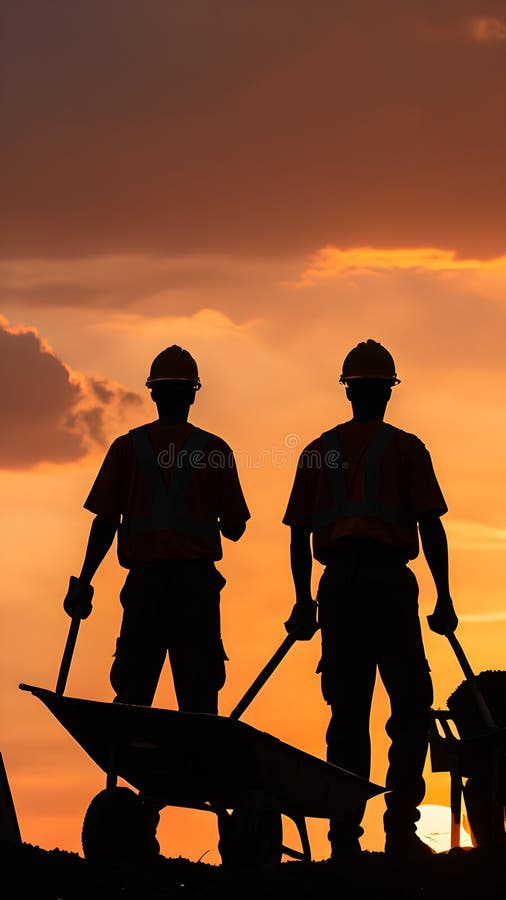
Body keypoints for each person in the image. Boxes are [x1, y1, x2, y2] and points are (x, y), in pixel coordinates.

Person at [283, 339, 458, 859]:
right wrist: (444, 597)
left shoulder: (318, 451)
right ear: (387, 393)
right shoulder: (407, 449)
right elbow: (431, 528)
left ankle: (344, 838)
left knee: (347, 713)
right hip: (389, 585)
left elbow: (298, 534)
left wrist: (303, 602)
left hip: (338, 588)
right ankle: (400, 830)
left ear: (348, 391)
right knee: (410, 707)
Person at [63, 345, 250, 714]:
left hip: (144, 589)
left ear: (153, 394)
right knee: (199, 704)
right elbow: (235, 529)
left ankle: (131, 748)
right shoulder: (215, 450)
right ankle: (198, 753)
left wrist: (85, 581)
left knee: (132, 698)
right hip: (195, 591)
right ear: (193, 395)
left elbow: (105, 522)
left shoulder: (126, 449)